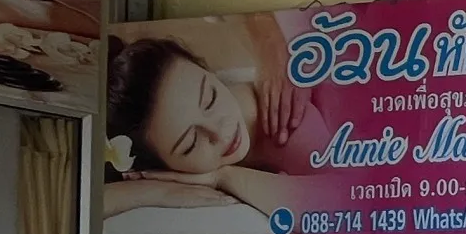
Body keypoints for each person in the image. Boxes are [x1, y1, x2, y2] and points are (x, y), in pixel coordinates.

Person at [101, 21, 326, 219]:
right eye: (191, 144)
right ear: (162, 168)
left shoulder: (286, 122)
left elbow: (345, 204)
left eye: (211, 98)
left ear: (208, 71)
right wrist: (145, 191)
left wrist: (223, 177)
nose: (220, 133)